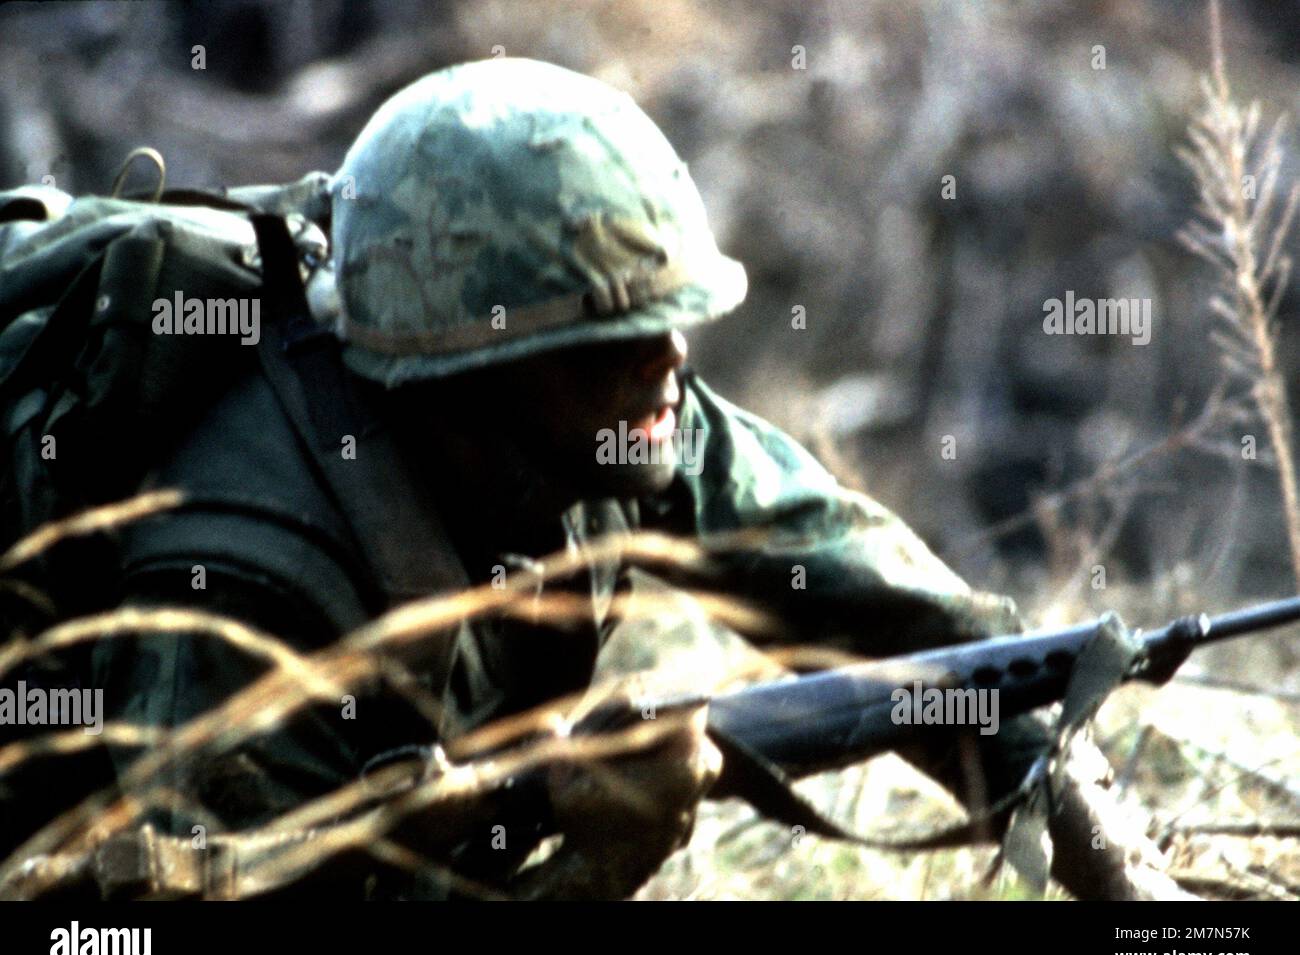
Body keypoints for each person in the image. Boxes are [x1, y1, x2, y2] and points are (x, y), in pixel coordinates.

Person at [87, 57, 1086, 900]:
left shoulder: (601, 412)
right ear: (460, 377)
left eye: (667, 320)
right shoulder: (243, 590)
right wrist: (596, 862)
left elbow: (904, 623)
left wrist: (1123, 879)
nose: (672, 360)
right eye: (614, 338)